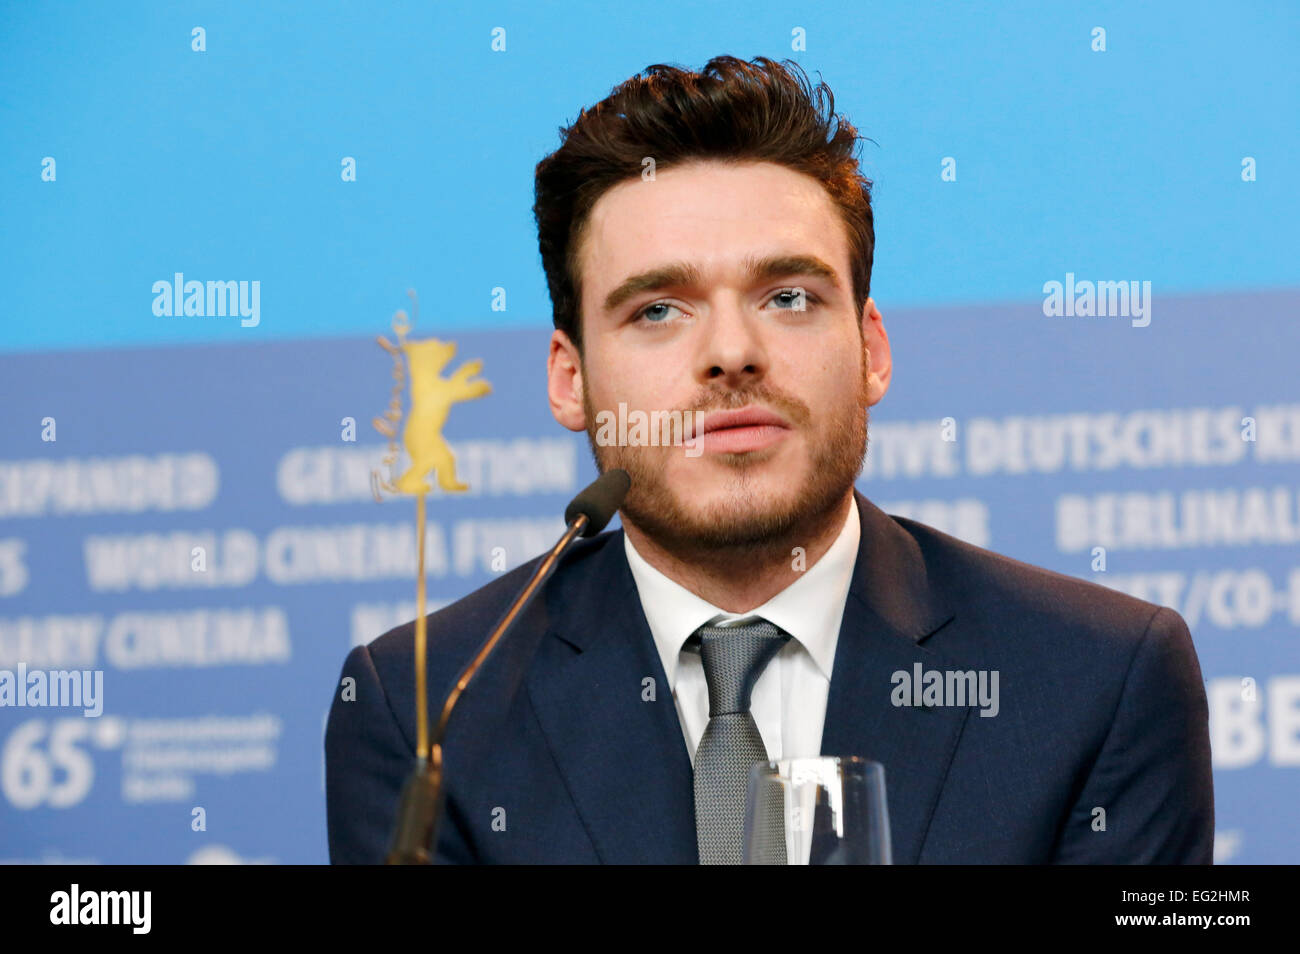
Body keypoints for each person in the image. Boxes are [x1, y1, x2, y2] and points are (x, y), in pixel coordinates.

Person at [325, 55, 1214, 864]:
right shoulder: (426, 711)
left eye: (788, 296)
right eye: (658, 310)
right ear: (570, 379)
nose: (732, 352)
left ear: (871, 350)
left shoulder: (1099, 679)